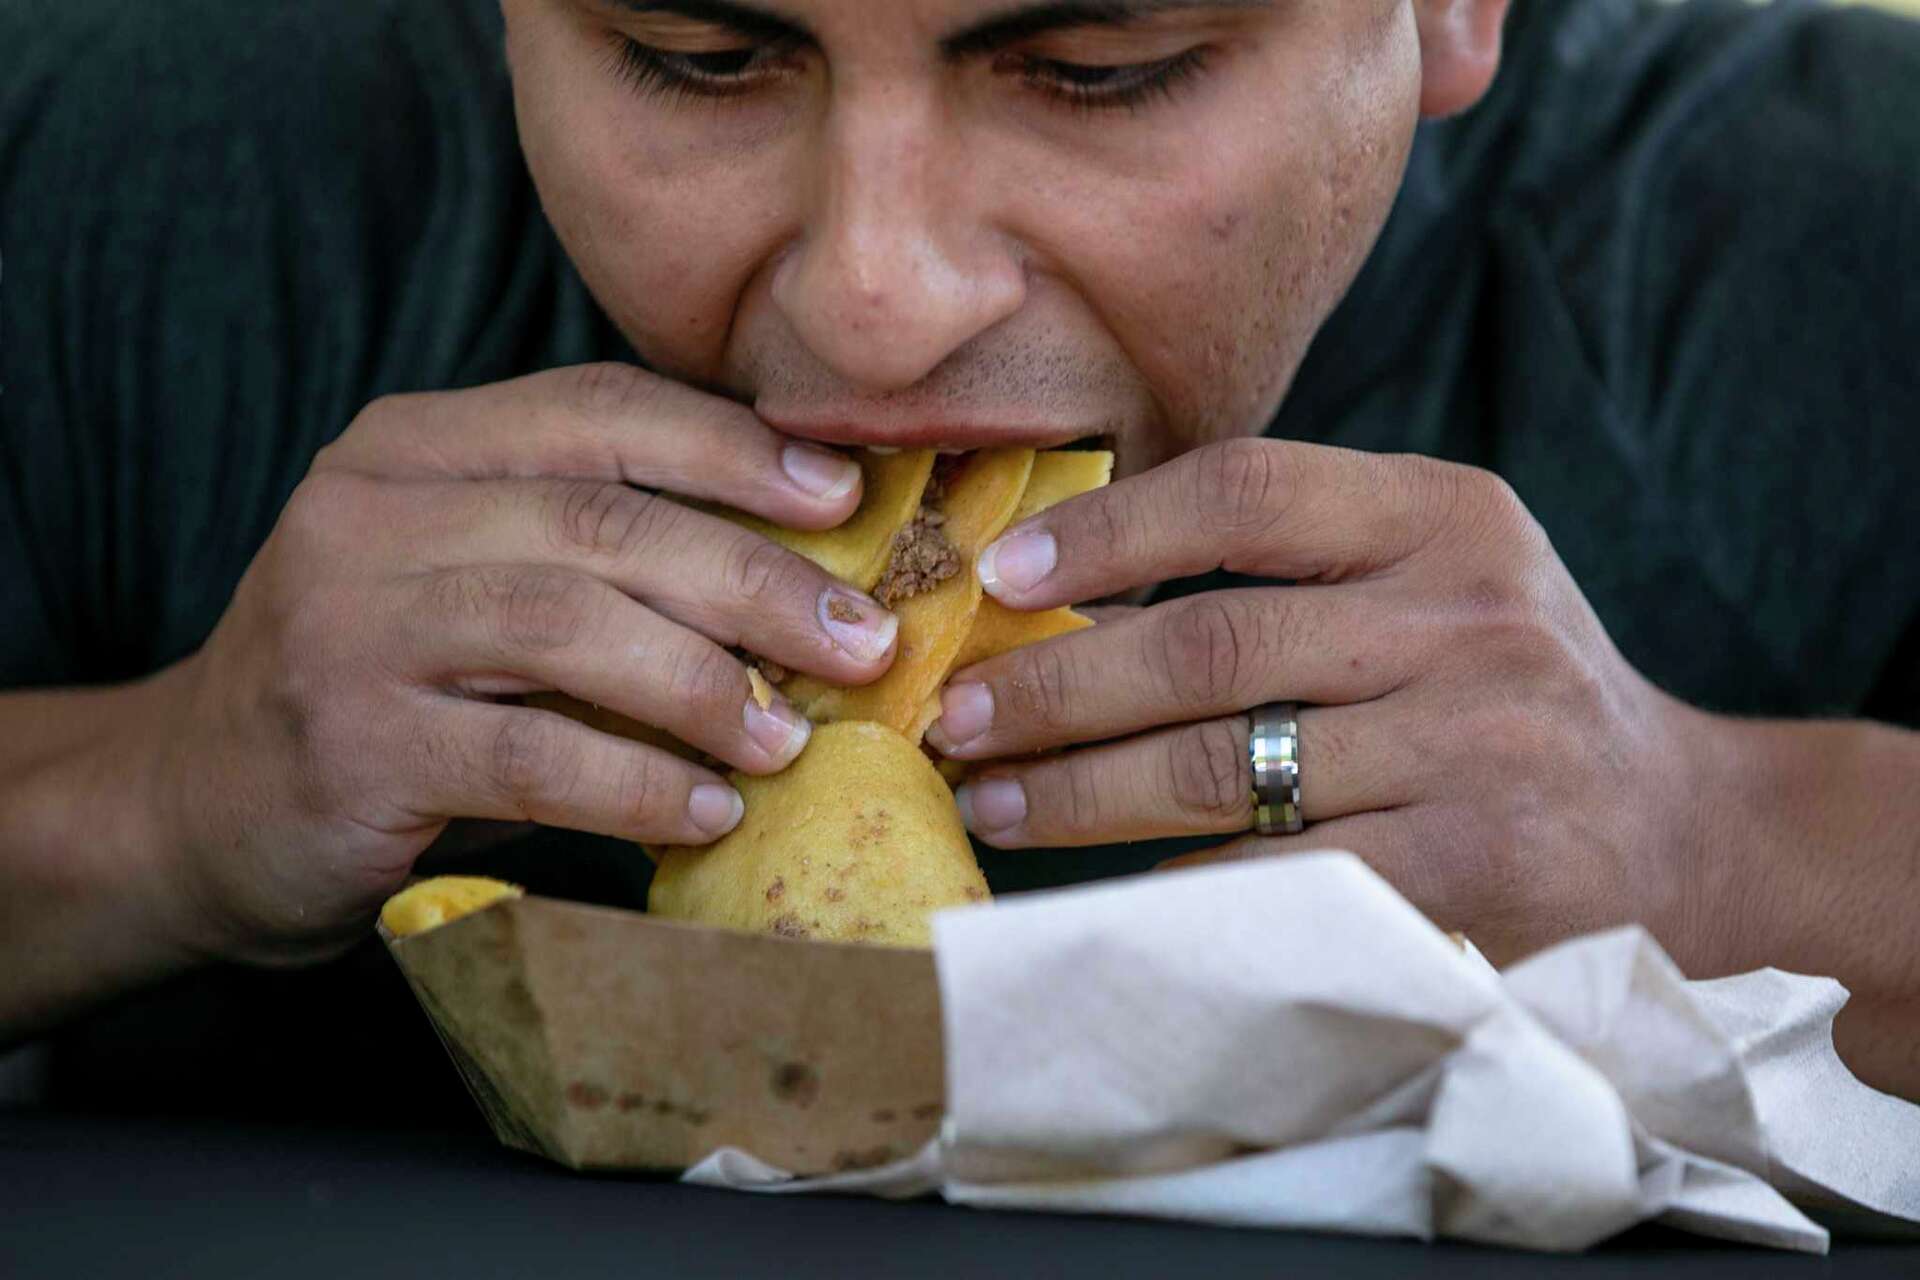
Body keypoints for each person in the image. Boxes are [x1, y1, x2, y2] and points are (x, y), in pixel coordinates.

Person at [2, 0, 1916, 1121]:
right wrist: (157, 796)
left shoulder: (1839, 247)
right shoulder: (133, 175)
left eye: (1093, 64)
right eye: (695, 53)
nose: (874, 301)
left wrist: (1724, 844)